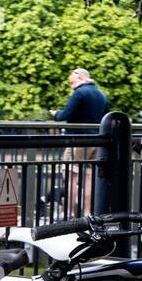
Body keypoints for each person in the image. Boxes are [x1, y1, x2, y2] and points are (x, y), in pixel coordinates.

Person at [52, 69, 110, 214]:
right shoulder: (101, 94)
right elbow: (106, 115)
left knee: (70, 175)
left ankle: (68, 213)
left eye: (72, 80)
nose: (71, 84)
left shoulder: (79, 93)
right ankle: (87, 213)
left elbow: (65, 115)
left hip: (77, 140)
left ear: (81, 77)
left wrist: (56, 113)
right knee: (89, 177)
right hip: (95, 140)